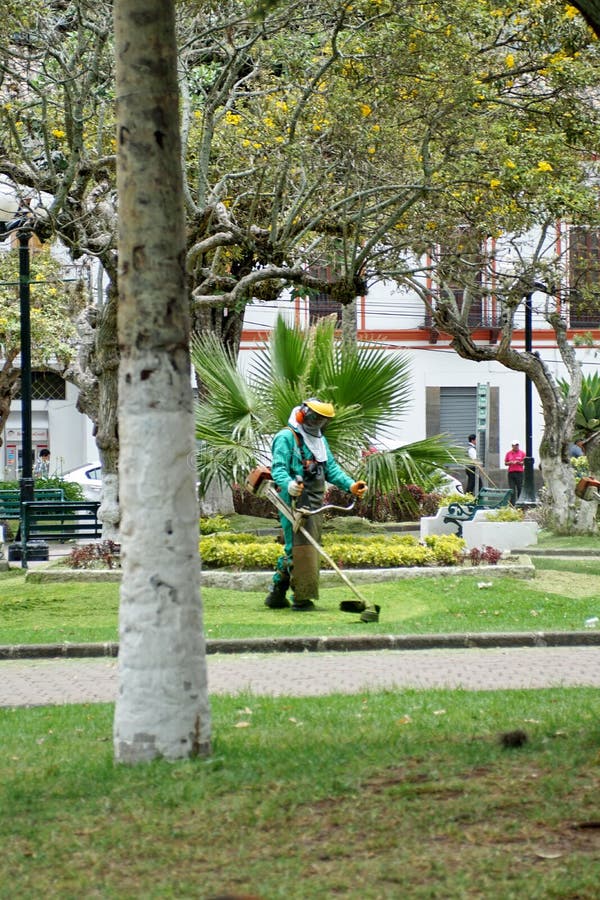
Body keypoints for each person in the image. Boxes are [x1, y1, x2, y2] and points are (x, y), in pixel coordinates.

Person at [265, 398, 368, 611]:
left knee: (306, 547)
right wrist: (290, 484)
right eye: (314, 419)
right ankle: (301, 599)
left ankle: (276, 592)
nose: (317, 424)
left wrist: (351, 485)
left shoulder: (319, 440)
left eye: (322, 421)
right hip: (292, 501)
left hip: (315, 501)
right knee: (299, 548)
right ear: (303, 415)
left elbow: (331, 469)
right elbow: (279, 469)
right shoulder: (286, 437)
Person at [504, 439, 526, 504]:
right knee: (512, 489)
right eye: (514, 445)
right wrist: (510, 462)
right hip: (511, 473)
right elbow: (505, 463)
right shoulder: (508, 453)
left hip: (519, 473)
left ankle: (520, 502)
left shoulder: (522, 453)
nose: (516, 447)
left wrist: (519, 462)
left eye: (517, 445)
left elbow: (524, 462)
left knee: (520, 488)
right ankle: (512, 503)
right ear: (512, 446)